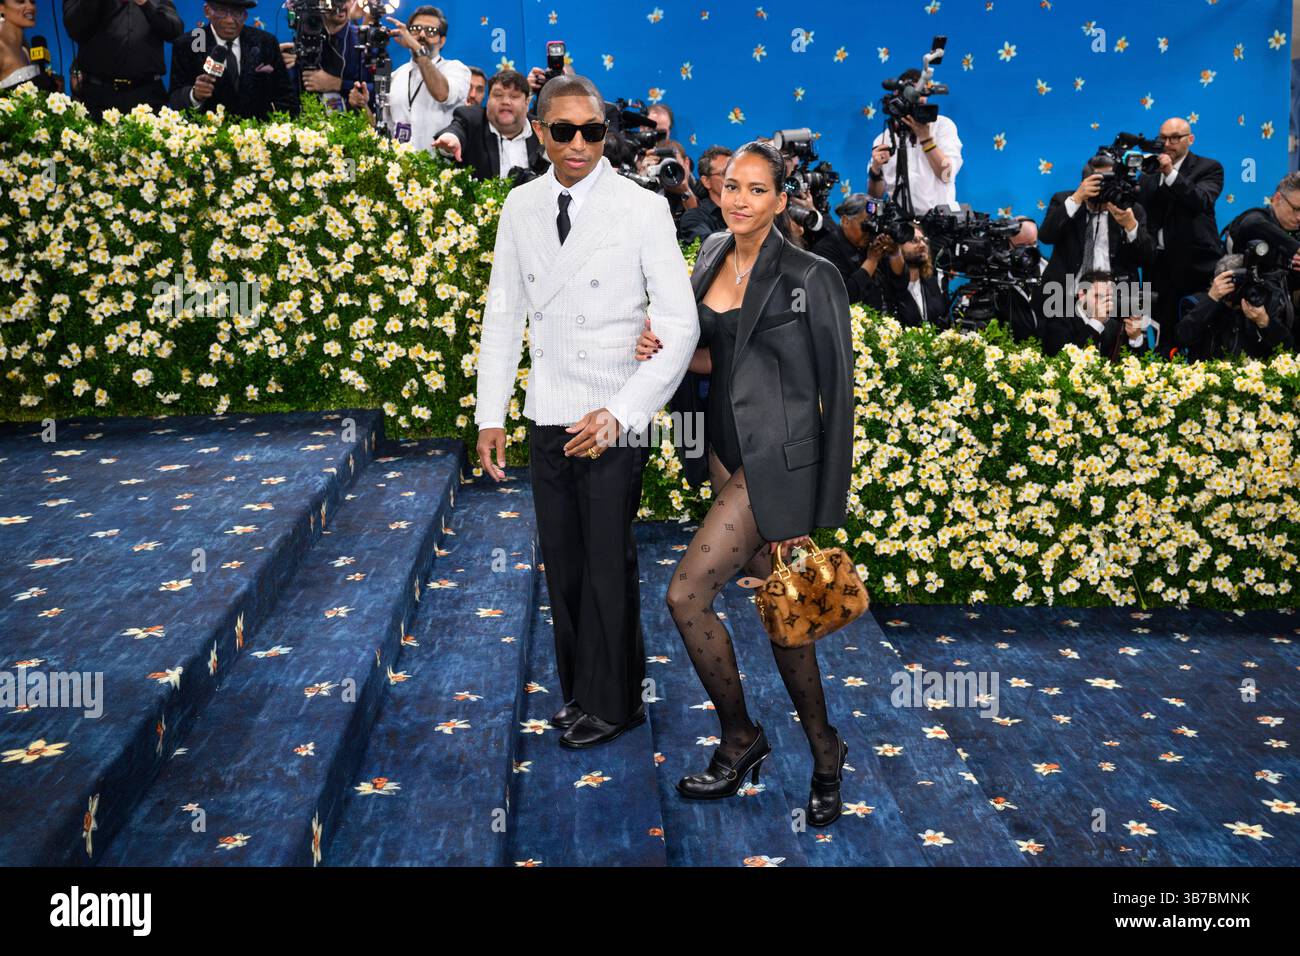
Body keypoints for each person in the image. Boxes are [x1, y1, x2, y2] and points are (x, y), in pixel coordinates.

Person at [473, 74, 699, 750]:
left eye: (593, 132)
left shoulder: (641, 208)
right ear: (539, 132)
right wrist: (492, 413)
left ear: (607, 134)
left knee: (607, 562)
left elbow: (679, 325)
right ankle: (581, 692)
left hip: (611, 415)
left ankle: (618, 700)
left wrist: (622, 412)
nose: (578, 144)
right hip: (548, 410)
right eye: (564, 130)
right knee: (564, 563)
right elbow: (503, 313)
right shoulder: (521, 206)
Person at [633, 141, 854, 826]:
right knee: (787, 617)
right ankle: (825, 750)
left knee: (686, 593)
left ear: (781, 201)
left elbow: (837, 394)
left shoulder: (812, 275)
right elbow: (716, 356)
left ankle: (739, 737)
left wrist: (814, 509)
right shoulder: (706, 257)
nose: (739, 199)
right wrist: (663, 348)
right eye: (732, 186)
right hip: (725, 456)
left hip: (776, 473)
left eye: (757, 190)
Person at [1036, 154, 1155, 325]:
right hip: (1064, 294)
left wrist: (1131, 227)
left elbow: (1148, 257)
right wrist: (1077, 198)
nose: (1105, 189)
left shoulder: (1130, 209)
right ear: (1084, 182)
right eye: (1100, 182)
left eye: (1111, 183)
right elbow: (1046, 236)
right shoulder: (1064, 200)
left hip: (1115, 296)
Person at [1137, 117, 1224, 337]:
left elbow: (1200, 200)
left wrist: (1170, 173)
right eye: (1163, 138)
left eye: (1175, 137)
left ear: (1190, 139)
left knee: (1197, 332)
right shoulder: (1149, 172)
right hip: (1158, 267)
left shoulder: (1209, 168)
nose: (1167, 143)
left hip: (1195, 267)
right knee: (1158, 332)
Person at [168, 0, 299, 119]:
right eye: (222, 11)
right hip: (207, 139)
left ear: (245, 16)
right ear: (207, 11)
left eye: (237, 13)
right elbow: (175, 100)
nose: (230, 20)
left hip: (257, 138)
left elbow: (285, 97)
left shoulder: (265, 42)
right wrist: (194, 95)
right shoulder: (188, 44)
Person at [867, 68, 962, 216]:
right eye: (914, 104)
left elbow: (946, 175)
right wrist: (875, 169)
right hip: (902, 228)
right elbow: (875, 196)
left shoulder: (942, 126)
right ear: (897, 101)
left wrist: (926, 139)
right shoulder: (883, 139)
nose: (917, 110)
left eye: (922, 104)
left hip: (939, 223)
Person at [62, 0, 182, 116]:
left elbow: (174, 31)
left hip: (147, 94)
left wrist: (146, 4)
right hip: (97, 95)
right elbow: (74, 28)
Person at [383, 5, 470, 152]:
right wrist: (363, 104)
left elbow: (442, 94)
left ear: (442, 41)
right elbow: (387, 126)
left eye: (430, 31)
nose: (422, 35)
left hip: (440, 168)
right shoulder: (395, 76)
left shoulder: (456, 69)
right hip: (399, 168)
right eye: (416, 29)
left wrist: (418, 50)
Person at [431, 68, 545, 180]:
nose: (505, 101)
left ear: (527, 102)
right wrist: (451, 138)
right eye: (498, 95)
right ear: (488, 99)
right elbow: (457, 130)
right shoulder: (472, 120)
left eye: (514, 96)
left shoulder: (542, 130)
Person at [1174, 255, 1293, 361]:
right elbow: (1182, 338)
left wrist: (1265, 323)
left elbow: (1289, 351)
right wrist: (1211, 300)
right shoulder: (1197, 302)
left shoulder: (1261, 305)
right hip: (1209, 378)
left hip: (1253, 381)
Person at [279, 0, 363, 113]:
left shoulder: (363, 40)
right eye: (334, 1)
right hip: (304, 125)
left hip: (352, 125)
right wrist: (277, 63)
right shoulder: (301, 40)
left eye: (346, 0)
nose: (341, 6)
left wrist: (338, 84)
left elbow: (381, 90)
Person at [811, 193, 890, 311]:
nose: (869, 232)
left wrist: (895, 253)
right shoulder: (826, 249)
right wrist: (871, 261)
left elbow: (900, 284)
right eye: (865, 225)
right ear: (845, 221)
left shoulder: (872, 244)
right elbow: (844, 295)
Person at [882, 221, 948, 328]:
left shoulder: (933, 283)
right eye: (914, 241)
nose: (922, 245)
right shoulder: (887, 287)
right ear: (896, 247)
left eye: (924, 240)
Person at [677, 145, 731, 243]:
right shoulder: (694, 217)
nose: (733, 178)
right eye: (724, 173)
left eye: (734, 172)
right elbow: (706, 245)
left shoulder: (749, 209)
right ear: (706, 181)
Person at [0, 0, 55, 94]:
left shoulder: (25, 48)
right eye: (20, 1)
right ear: (1, 8)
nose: (31, 7)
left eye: (32, 1)